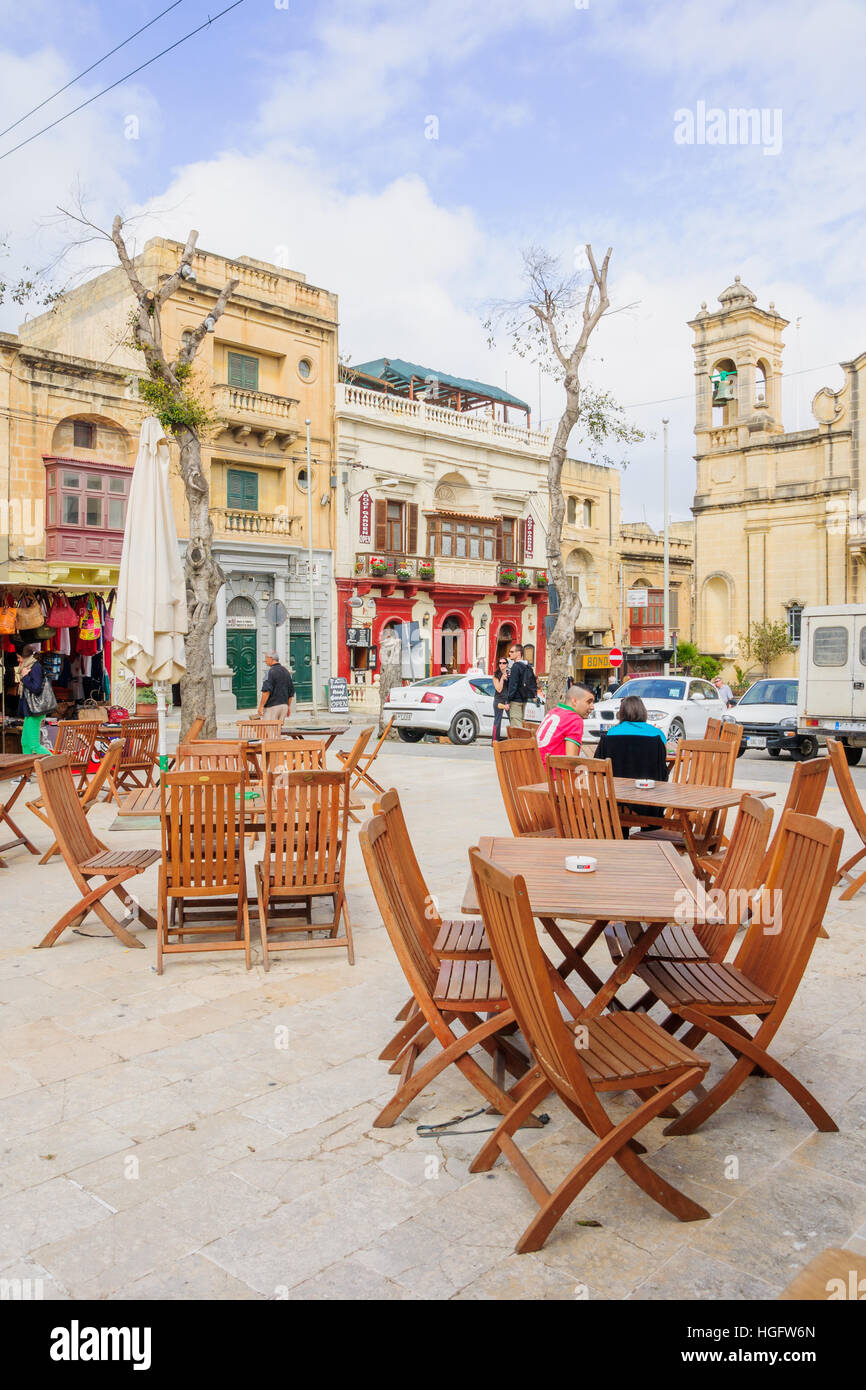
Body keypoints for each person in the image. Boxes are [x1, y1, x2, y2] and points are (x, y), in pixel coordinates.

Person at [595, 695, 670, 782]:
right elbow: (663, 758)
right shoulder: (656, 734)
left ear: (621, 713)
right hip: (648, 787)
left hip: (616, 787)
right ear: (643, 712)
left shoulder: (611, 733)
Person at [535, 683, 595, 766]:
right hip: (554, 775)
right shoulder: (575, 719)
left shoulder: (553, 711)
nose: (592, 707)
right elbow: (571, 761)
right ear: (574, 701)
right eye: (589, 702)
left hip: (536, 771)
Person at [17, 645, 52, 756]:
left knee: (33, 745)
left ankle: (59, 764)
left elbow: (36, 688)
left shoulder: (35, 667)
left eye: (18, 657)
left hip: (35, 711)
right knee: (25, 743)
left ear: (24, 657)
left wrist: (25, 677)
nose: (18, 660)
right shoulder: (29, 666)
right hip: (30, 711)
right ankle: (28, 770)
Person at [502, 643, 537, 728]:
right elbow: (532, 681)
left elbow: (513, 685)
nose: (509, 653)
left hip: (515, 701)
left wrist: (508, 700)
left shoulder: (516, 666)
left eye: (512, 651)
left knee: (516, 727)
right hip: (524, 699)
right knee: (520, 723)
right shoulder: (528, 666)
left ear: (518, 653)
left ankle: (519, 741)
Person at [257, 650, 294, 723]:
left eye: (266, 658)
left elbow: (266, 691)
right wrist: (288, 706)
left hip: (272, 707)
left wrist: (261, 706)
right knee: (277, 731)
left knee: (269, 731)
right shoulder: (286, 671)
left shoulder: (269, 671)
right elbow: (291, 692)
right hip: (284, 707)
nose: (265, 660)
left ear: (271, 658)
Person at [492, 656, 510, 741]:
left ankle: (513, 740)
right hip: (499, 700)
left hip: (508, 700)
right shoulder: (496, 675)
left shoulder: (511, 673)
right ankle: (495, 741)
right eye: (500, 663)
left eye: (504, 663)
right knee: (497, 720)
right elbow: (498, 689)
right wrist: (502, 678)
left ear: (507, 664)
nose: (502, 665)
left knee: (512, 719)